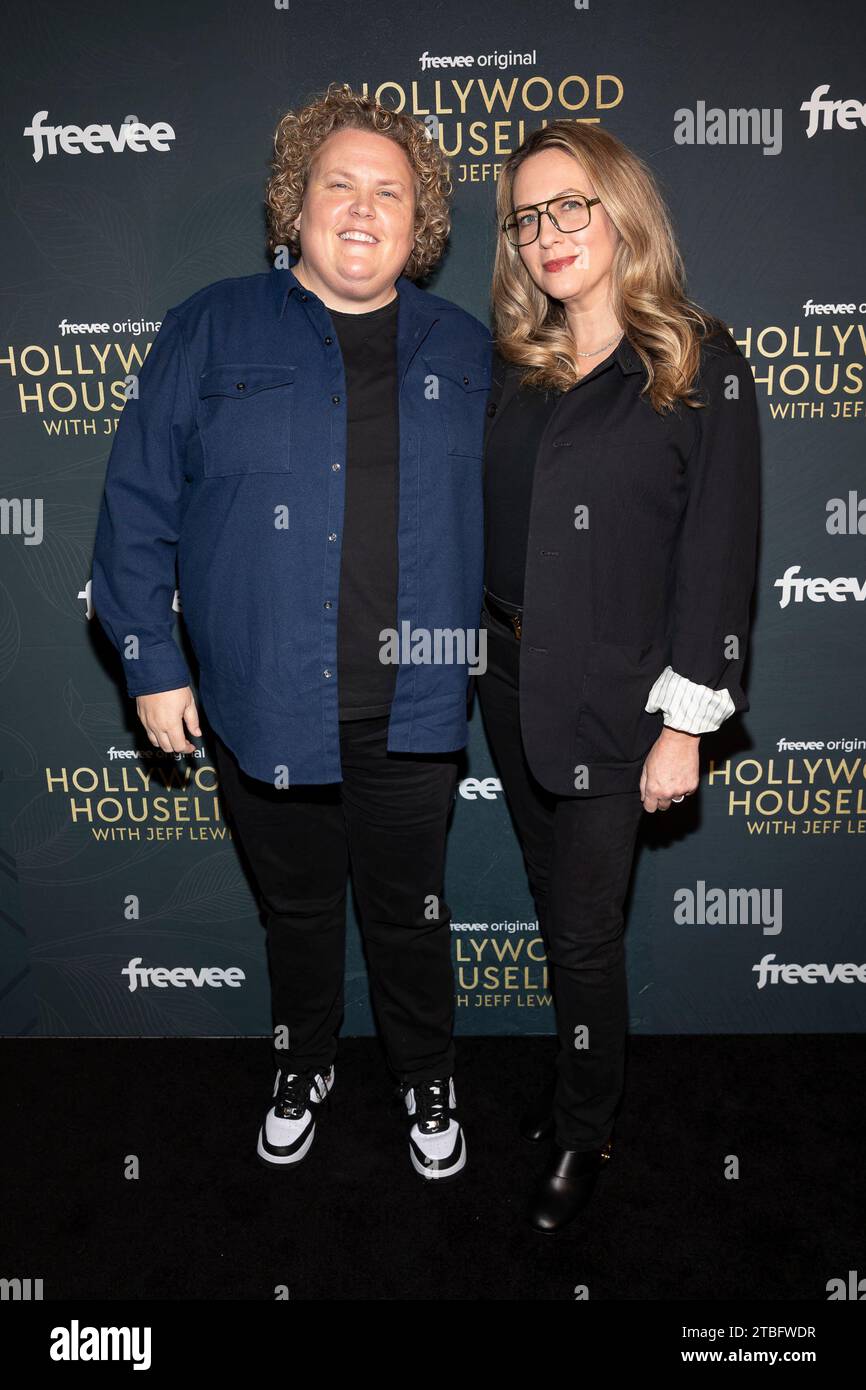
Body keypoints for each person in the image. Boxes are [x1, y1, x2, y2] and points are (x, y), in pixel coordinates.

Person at [91, 83, 492, 1182]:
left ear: (422, 223)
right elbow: (135, 504)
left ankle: (425, 1075)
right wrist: (152, 661)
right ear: (294, 205)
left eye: (389, 192)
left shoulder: (469, 350)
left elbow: (523, 527)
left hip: (414, 701)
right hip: (261, 694)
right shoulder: (209, 326)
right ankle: (299, 1060)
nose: (362, 210)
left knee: (410, 916)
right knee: (299, 912)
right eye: (338, 186)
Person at [478, 120, 760, 1231]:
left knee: (585, 929)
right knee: (554, 908)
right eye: (525, 216)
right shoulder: (518, 365)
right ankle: (571, 1088)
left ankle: (585, 1123)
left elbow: (718, 555)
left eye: (569, 205)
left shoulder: (695, 356)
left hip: (623, 701)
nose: (546, 233)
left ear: (620, 209)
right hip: (503, 680)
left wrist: (683, 725)